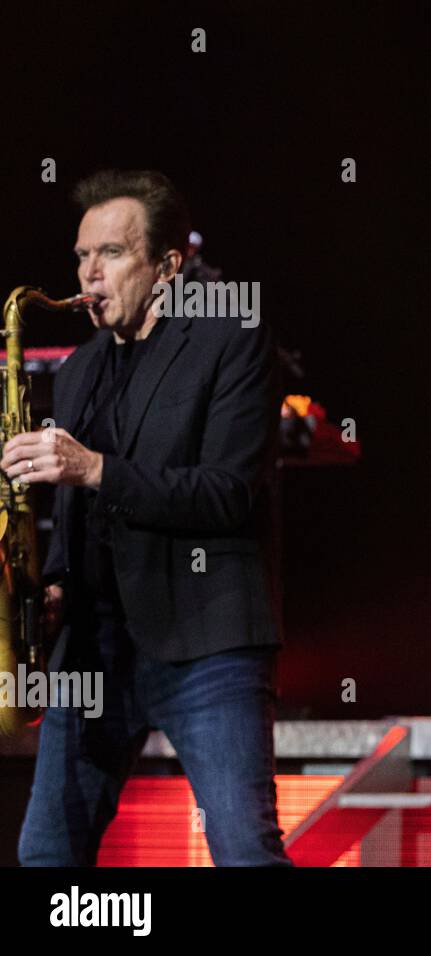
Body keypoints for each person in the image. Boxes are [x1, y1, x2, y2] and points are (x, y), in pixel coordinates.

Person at [5, 169, 289, 866]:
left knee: (245, 850)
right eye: (80, 256)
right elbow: (76, 514)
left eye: (110, 254)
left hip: (206, 644)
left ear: (167, 266)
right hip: (96, 649)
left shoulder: (232, 336)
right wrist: (57, 582)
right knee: (45, 854)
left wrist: (94, 468)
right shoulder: (77, 369)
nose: (88, 274)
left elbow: (226, 493)